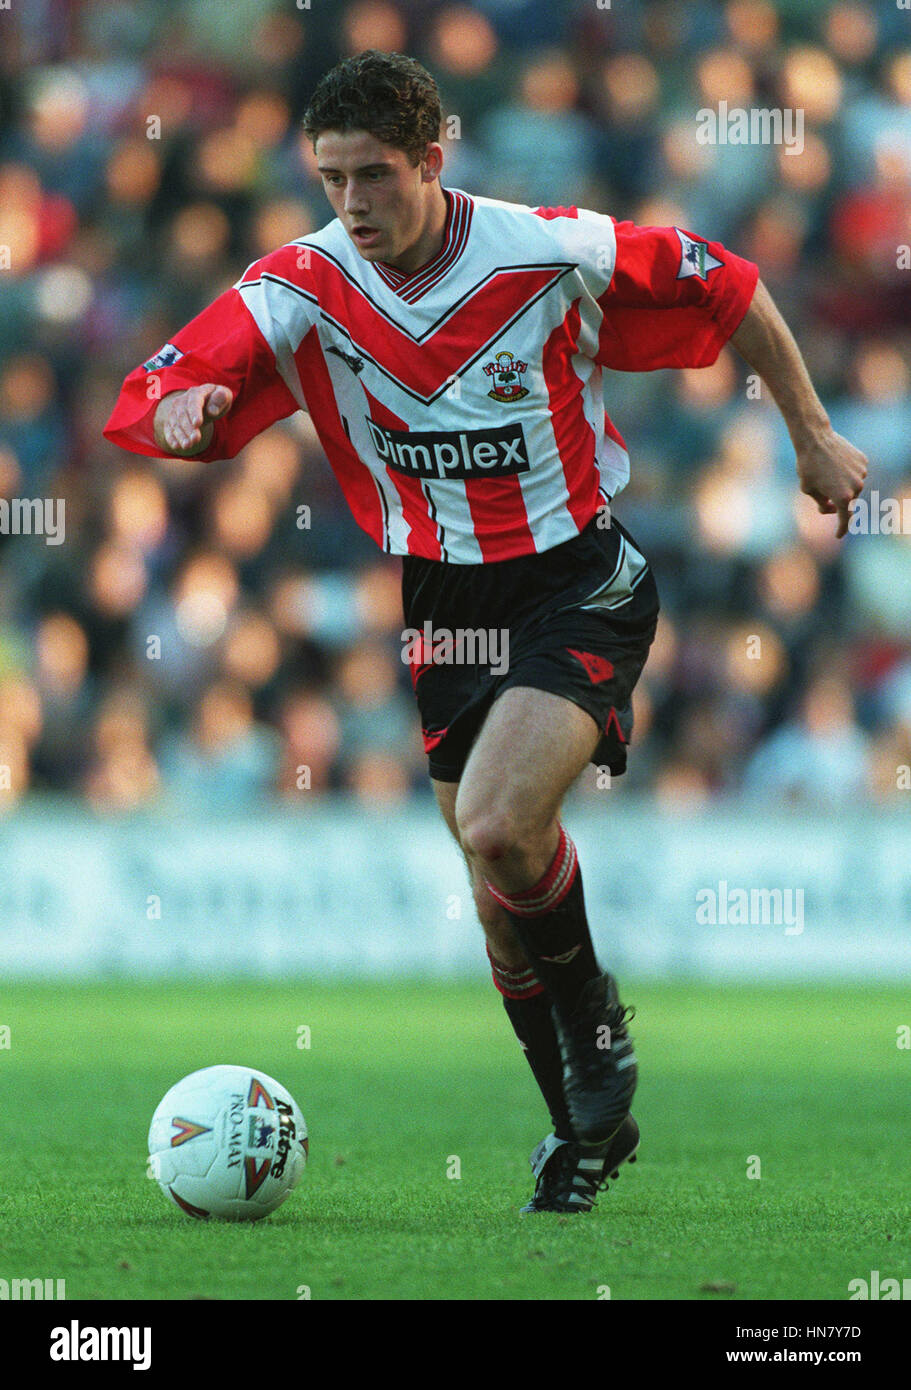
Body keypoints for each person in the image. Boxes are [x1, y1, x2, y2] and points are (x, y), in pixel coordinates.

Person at [104, 50, 868, 1214]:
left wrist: (809, 437)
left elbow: (728, 282)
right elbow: (162, 384)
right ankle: (577, 1135)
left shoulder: (548, 247)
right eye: (330, 178)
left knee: (502, 821)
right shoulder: (299, 283)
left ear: (431, 160)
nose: (352, 203)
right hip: (440, 605)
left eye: (373, 175)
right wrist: (186, 413)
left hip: (579, 577)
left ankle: (599, 1032)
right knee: (495, 894)